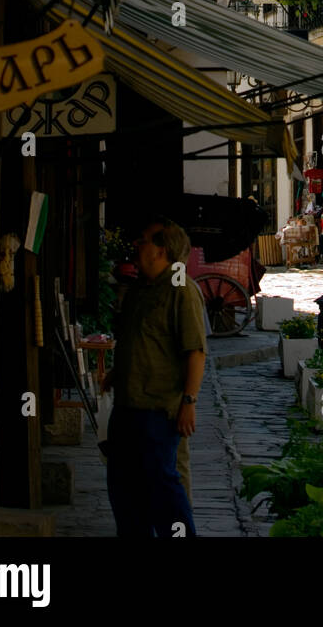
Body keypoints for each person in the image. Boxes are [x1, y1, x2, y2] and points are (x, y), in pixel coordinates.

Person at [105, 216, 206, 536]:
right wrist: (117, 372)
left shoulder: (180, 290)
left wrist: (189, 400)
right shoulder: (139, 289)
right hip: (127, 406)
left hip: (159, 411)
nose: (137, 245)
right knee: (124, 491)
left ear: (162, 250)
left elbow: (195, 351)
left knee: (163, 492)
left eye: (144, 240)